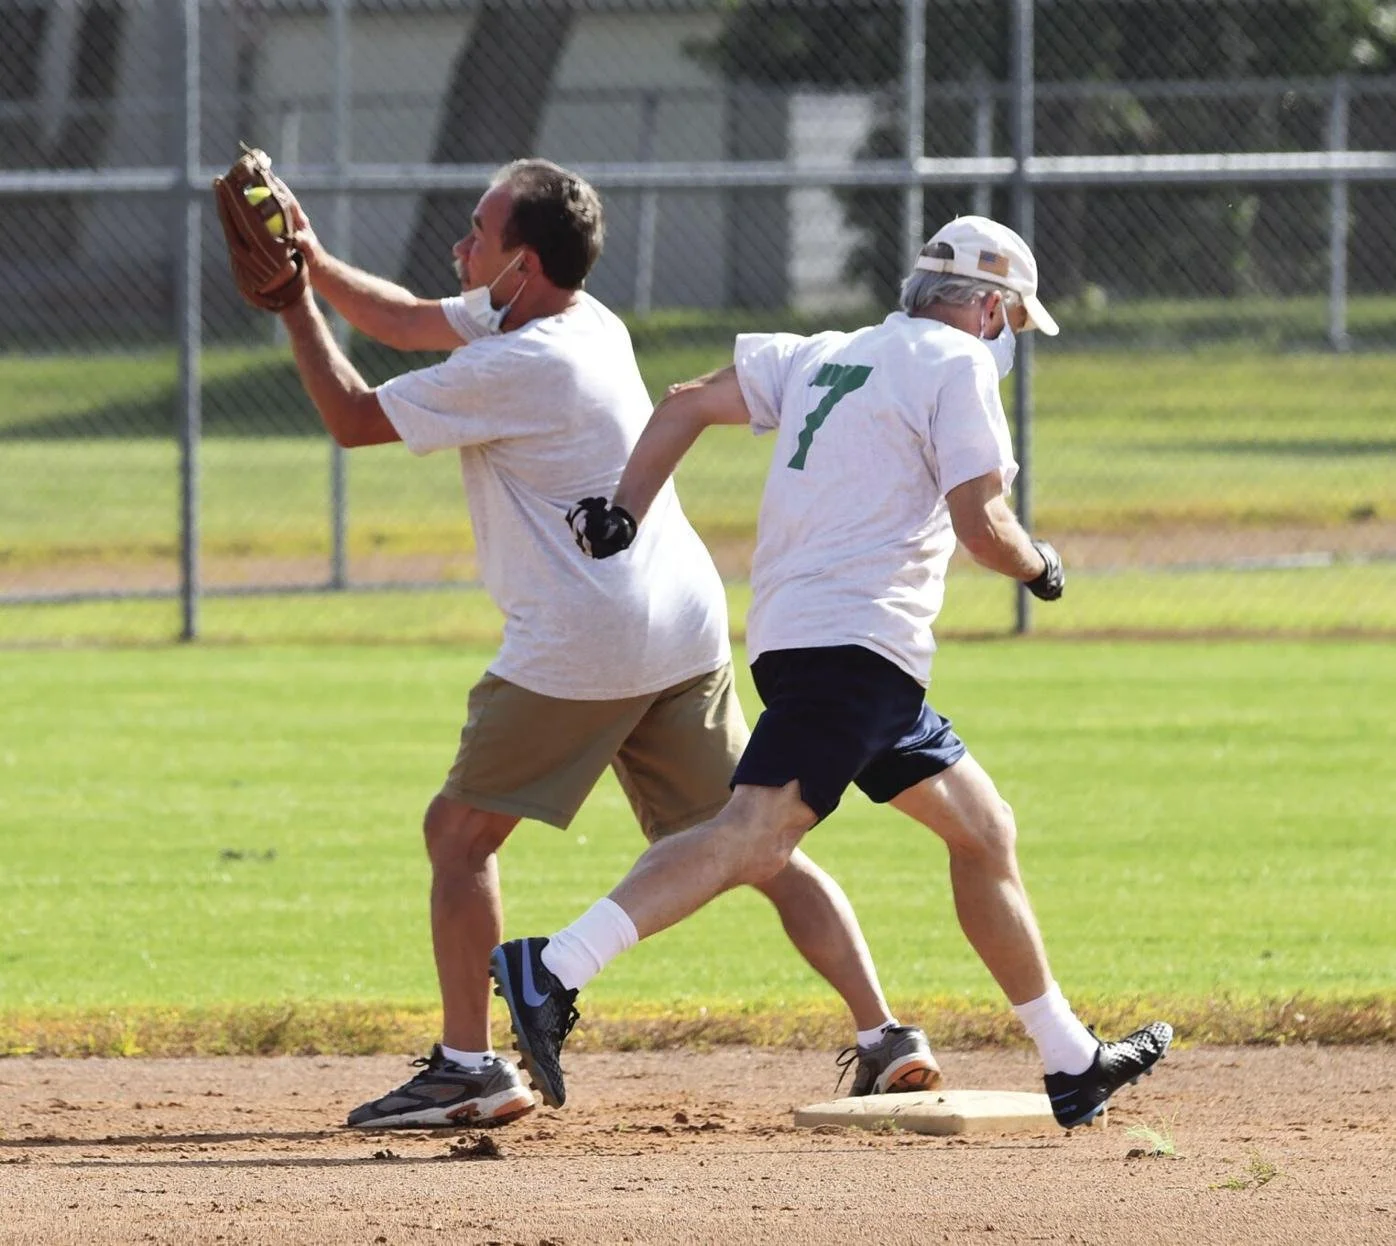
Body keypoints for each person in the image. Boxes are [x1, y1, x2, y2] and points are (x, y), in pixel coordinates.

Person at [263, 157, 941, 1128]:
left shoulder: (520, 363)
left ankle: (468, 1065)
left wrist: (291, 309)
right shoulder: (575, 319)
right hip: (681, 624)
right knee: (754, 841)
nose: (462, 244)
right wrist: (315, 265)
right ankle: (886, 1037)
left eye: (479, 232)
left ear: (521, 265)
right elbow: (412, 318)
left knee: (458, 836)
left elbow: (351, 416)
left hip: (588, 637)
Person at [492, 215, 1173, 1130]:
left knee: (982, 829)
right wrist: (1041, 565)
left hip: (815, 642)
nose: (1009, 337)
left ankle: (1069, 1059)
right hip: (856, 645)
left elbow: (687, 400)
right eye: (1012, 318)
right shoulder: (958, 363)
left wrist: (624, 511)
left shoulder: (825, 351)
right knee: (755, 834)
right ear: (986, 306)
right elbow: (984, 527)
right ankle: (556, 967)